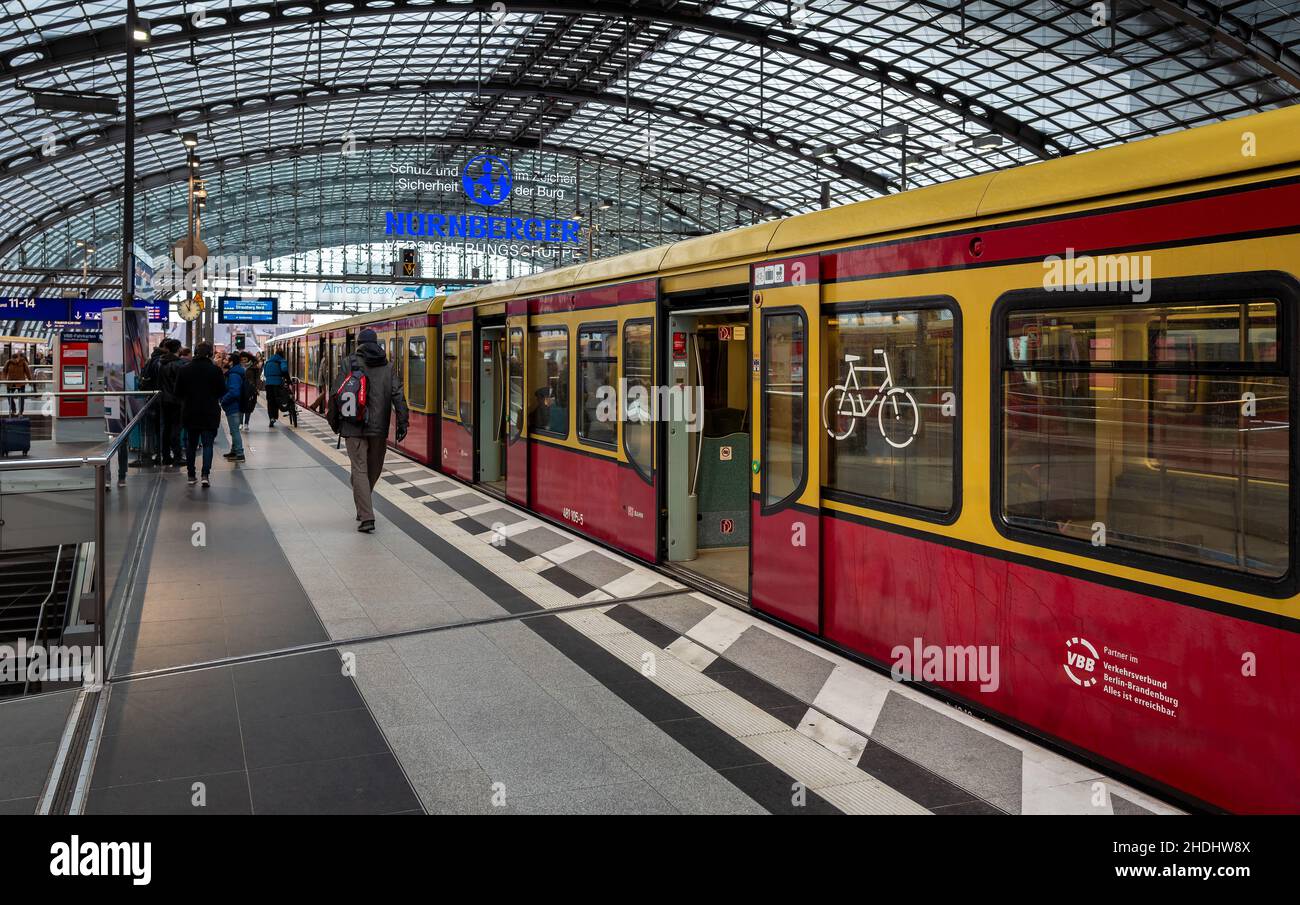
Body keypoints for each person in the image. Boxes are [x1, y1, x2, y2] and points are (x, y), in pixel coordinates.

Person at [327, 328, 409, 534]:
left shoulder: (349, 362)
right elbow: (398, 395)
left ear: (359, 344)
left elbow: (336, 392)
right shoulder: (388, 366)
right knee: (371, 469)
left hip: (353, 425)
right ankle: (366, 516)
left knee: (360, 471)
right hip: (379, 427)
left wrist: (334, 421)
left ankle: (363, 507)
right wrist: (402, 422)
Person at [174, 343, 226, 488]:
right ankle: (205, 475)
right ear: (210, 354)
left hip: (190, 412)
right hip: (210, 412)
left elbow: (177, 392)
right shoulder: (215, 370)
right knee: (208, 444)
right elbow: (222, 390)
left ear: (195, 352)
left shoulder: (184, 370)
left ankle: (191, 475)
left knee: (191, 445)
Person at [156, 339, 183, 467]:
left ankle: (166, 456)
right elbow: (180, 384)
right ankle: (177, 456)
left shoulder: (160, 362)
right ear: (178, 349)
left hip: (163, 399)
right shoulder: (178, 364)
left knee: (165, 428)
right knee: (176, 428)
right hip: (176, 400)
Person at [220, 352, 246, 462]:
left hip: (233, 406)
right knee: (233, 430)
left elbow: (234, 392)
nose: (224, 361)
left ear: (231, 362)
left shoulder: (234, 375)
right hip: (234, 406)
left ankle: (239, 453)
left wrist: (223, 400)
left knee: (234, 431)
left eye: (226, 360)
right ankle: (234, 450)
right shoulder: (235, 372)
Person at [262, 347, 290, 427]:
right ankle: (278, 414)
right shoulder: (281, 360)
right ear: (282, 354)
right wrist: (288, 380)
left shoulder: (268, 361)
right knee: (278, 399)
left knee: (270, 401)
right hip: (277, 383)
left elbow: (265, 373)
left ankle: (271, 418)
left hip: (268, 384)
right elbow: (284, 370)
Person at [240, 351, 262, 428]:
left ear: (248, 359)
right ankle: (240, 423)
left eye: (245, 359)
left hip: (251, 389)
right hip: (241, 389)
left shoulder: (254, 368)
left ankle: (246, 423)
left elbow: (257, 379)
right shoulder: (239, 367)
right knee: (241, 406)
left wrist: (257, 388)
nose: (243, 361)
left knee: (248, 407)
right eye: (242, 360)